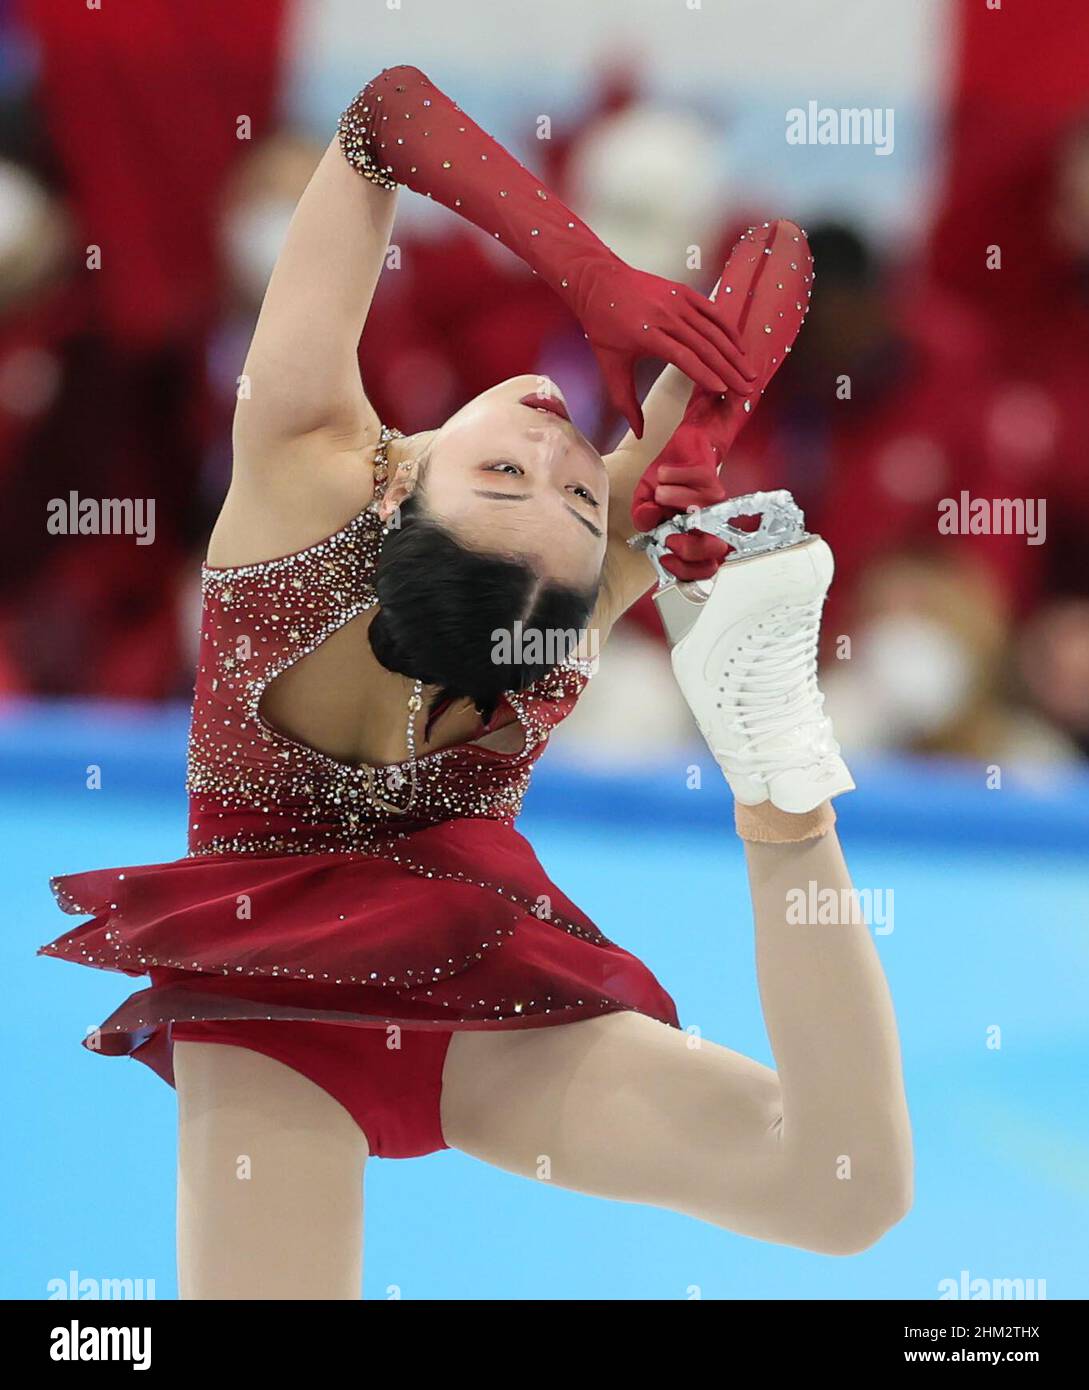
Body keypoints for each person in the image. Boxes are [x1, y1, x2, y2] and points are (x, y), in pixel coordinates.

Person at [40, 66, 912, 1298]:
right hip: (277, 1009)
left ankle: (781, 783)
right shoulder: (340, 480)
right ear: (398, 498)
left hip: (449, 985)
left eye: (562, 488)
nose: (560, 452)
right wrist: (667, 382)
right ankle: (777, 790)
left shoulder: (306, 460)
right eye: (524, 479)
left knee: (846, 1191)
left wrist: (612, 308)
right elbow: (764, 260)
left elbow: (383, 124)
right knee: (838, 1197)